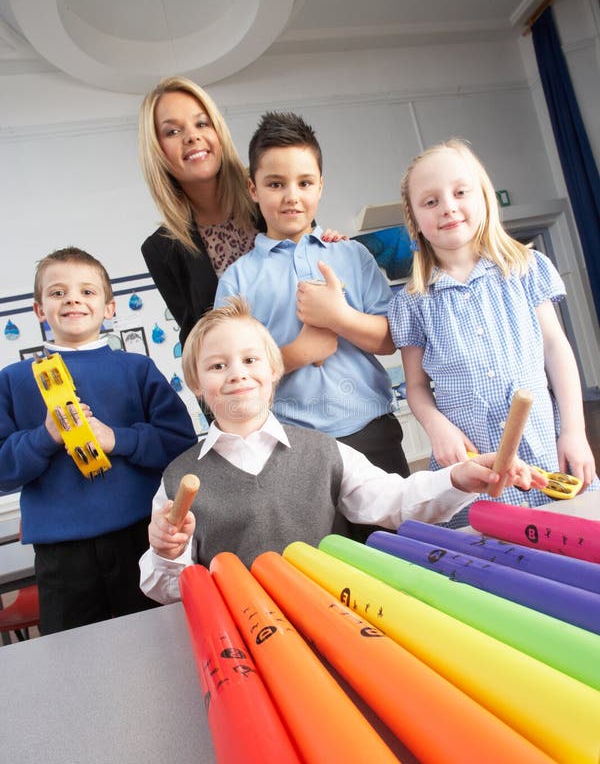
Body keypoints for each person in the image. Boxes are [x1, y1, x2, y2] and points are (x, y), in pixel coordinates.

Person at [139, 297, 543, 604]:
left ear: (274, 370)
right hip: (248, 644)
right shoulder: (177, 478)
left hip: (336, 618)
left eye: (250, 359)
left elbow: (394, 500)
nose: (237, 374)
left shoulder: (323, 450)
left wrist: (457, 478)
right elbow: (166, 588)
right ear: (196, 383)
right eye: (217, 366)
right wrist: (165, 551)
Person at [214, 111, 411, 529]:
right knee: (322, 562)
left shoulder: (351, 255)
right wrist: (297, 353)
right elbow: (232, 373)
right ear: (253, 188)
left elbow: (390, 338)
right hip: (291, 449)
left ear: (321, 185)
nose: (292, 196)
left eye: (304, 183)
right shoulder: (237, 280)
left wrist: (340, 317)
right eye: (275, 184)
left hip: (372, 433)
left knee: (399, 551)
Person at [387, 138, 598, 524]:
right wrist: (437, 428)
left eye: (460, 192)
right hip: (471, 466)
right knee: (492, 552)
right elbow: (416, 386)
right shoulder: (412, 303)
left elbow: (556, 350)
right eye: (430, 201)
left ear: (484, 197)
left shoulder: (526, 268)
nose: (448, 206)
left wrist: (574, 430)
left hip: (547, 453)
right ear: (414, 219)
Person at [0, 247, 198, 634]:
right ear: (39, 310)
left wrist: (117, 439)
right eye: (57, 292)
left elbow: (180, 444)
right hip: (61, 554)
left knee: (156, 640)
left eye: (87, 291)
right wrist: (44, 437)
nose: (72, 299)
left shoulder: (138, 369)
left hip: (140, 534)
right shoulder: (12, 380)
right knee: (72, 654)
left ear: (109, 307)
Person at [138, 77, 343, 349]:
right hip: (247, 373)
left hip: (322, 362)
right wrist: (294, 354)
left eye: (202, 123)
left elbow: (317, 272)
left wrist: (332, 246)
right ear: (156, 149)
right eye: (172, 131)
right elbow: (197, 344)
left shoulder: (272, 194)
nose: (192, 137)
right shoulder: (161, 250)